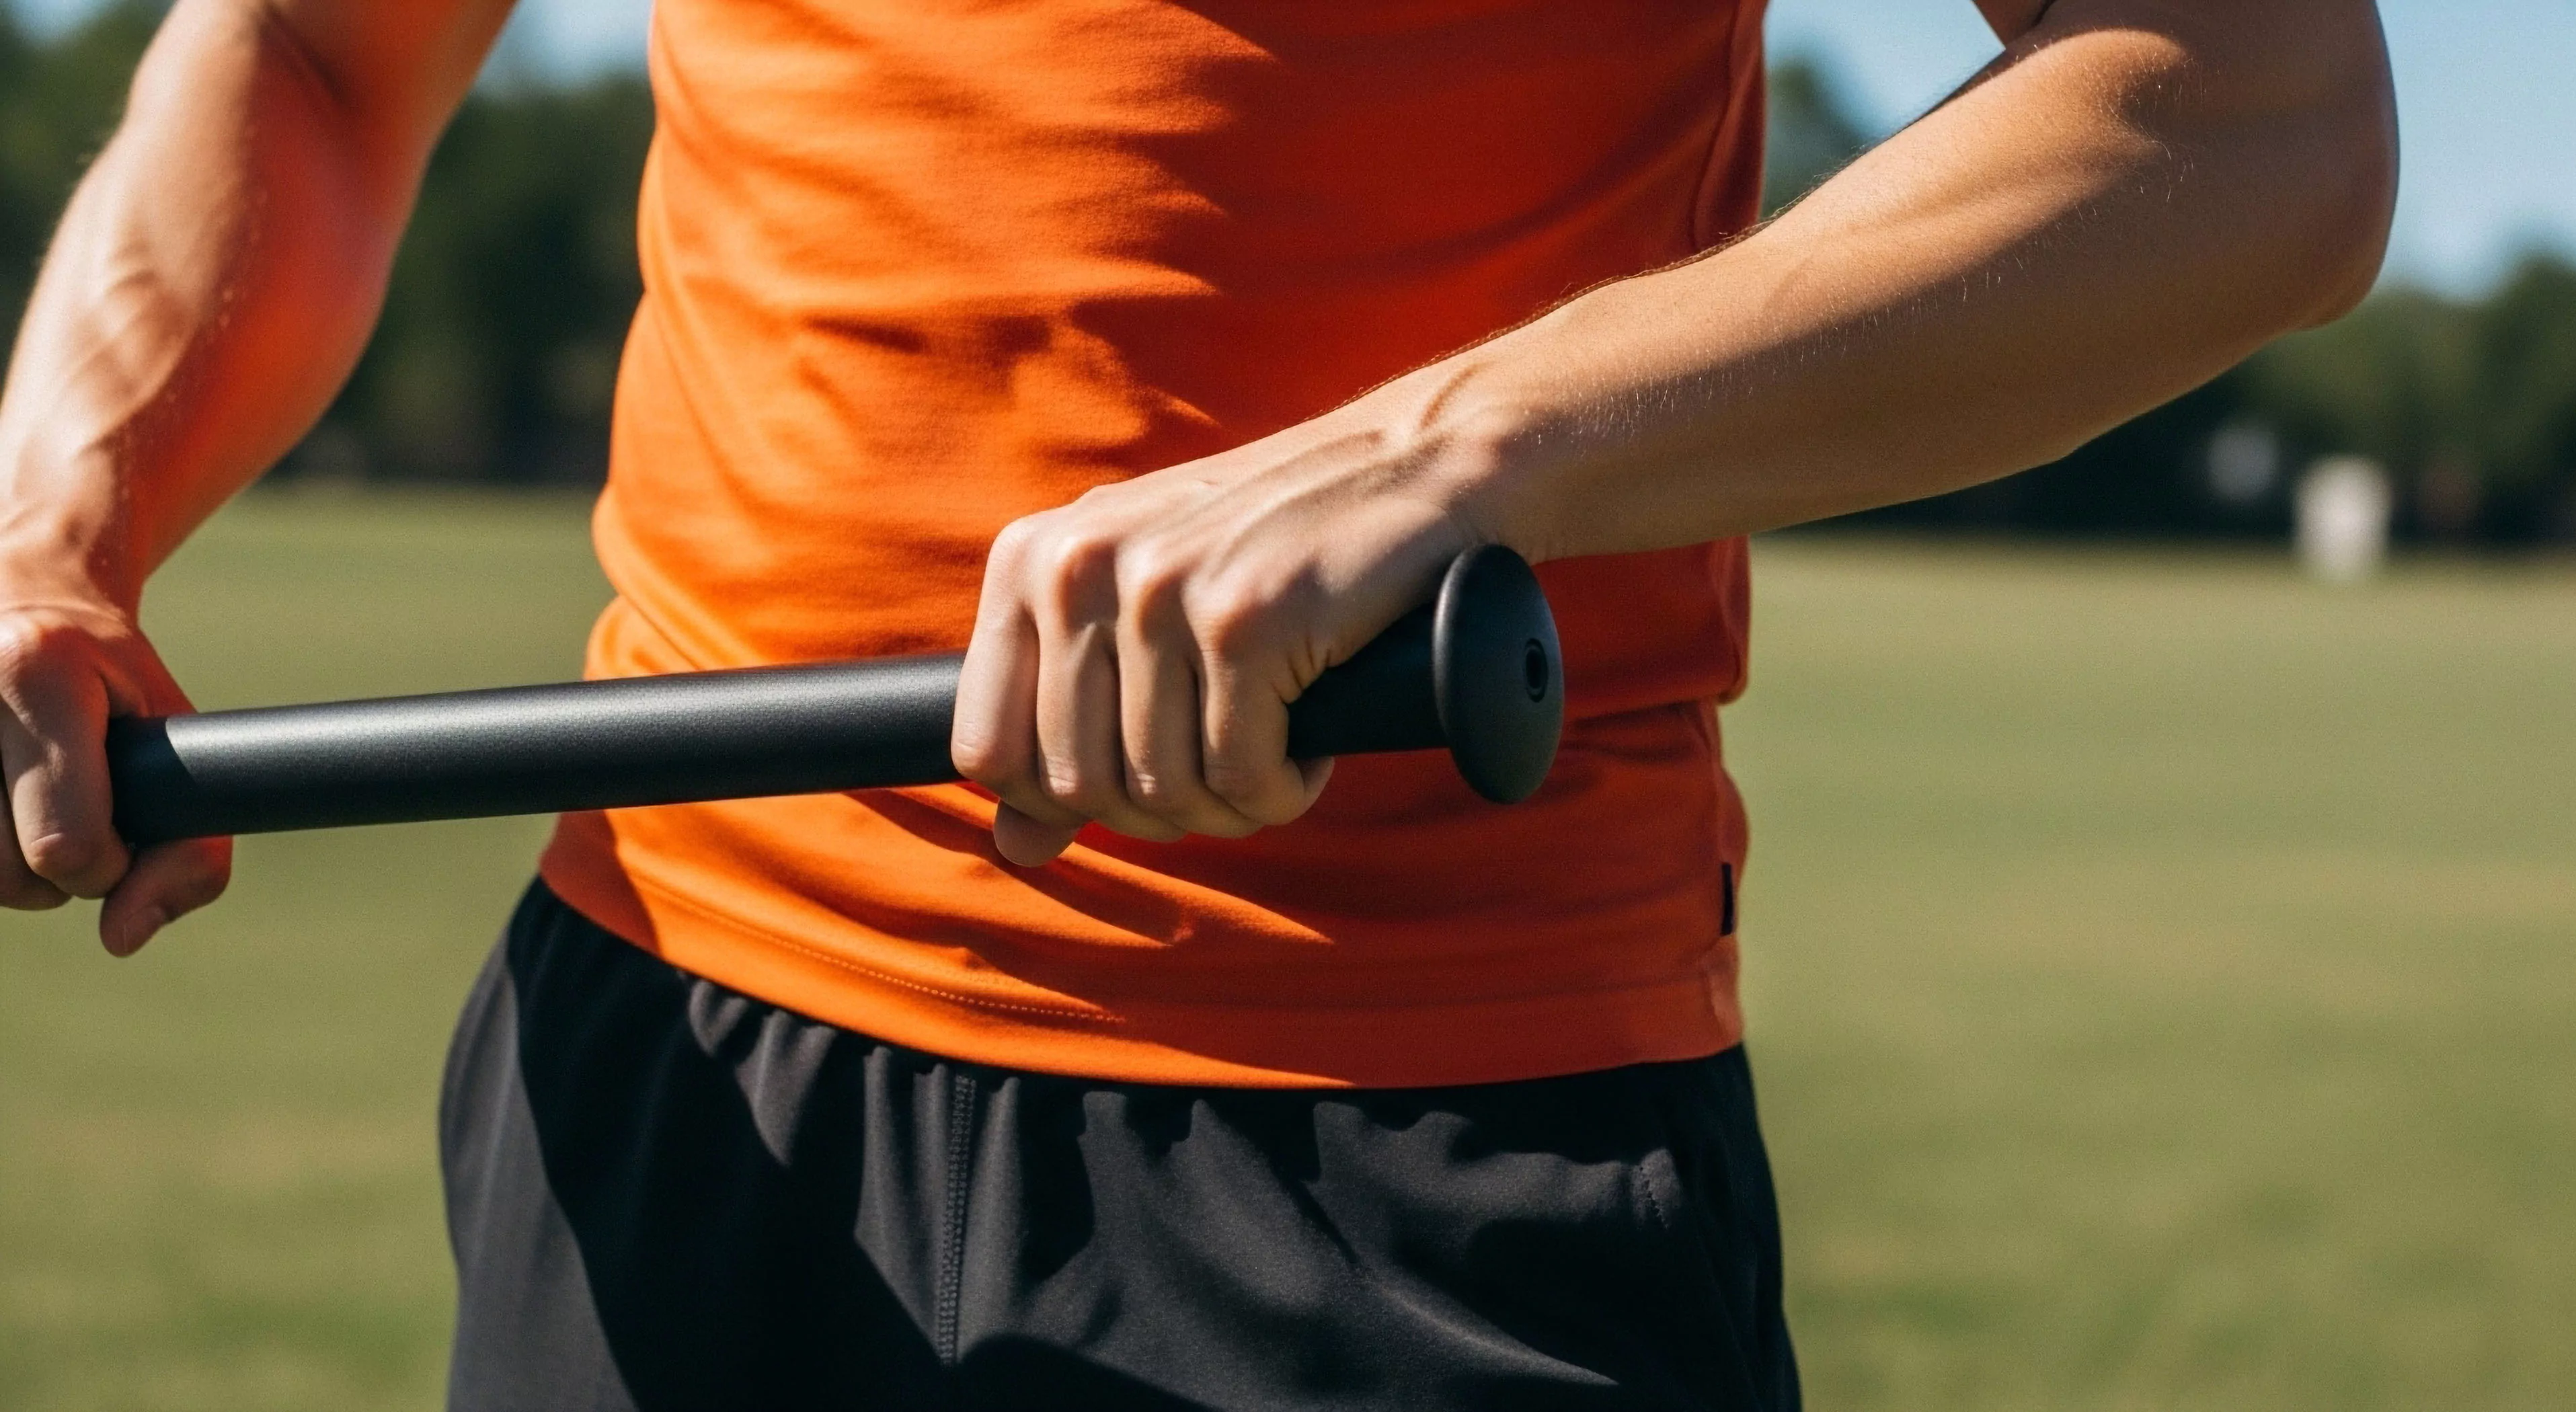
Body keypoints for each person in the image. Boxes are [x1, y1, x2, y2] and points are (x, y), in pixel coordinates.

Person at [0, 0, 2394, 1407]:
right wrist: (61, 515)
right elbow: (314, 51)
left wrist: (1450, 446)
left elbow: (2255, 119)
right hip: (664, 1064)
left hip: (1413, 1146)